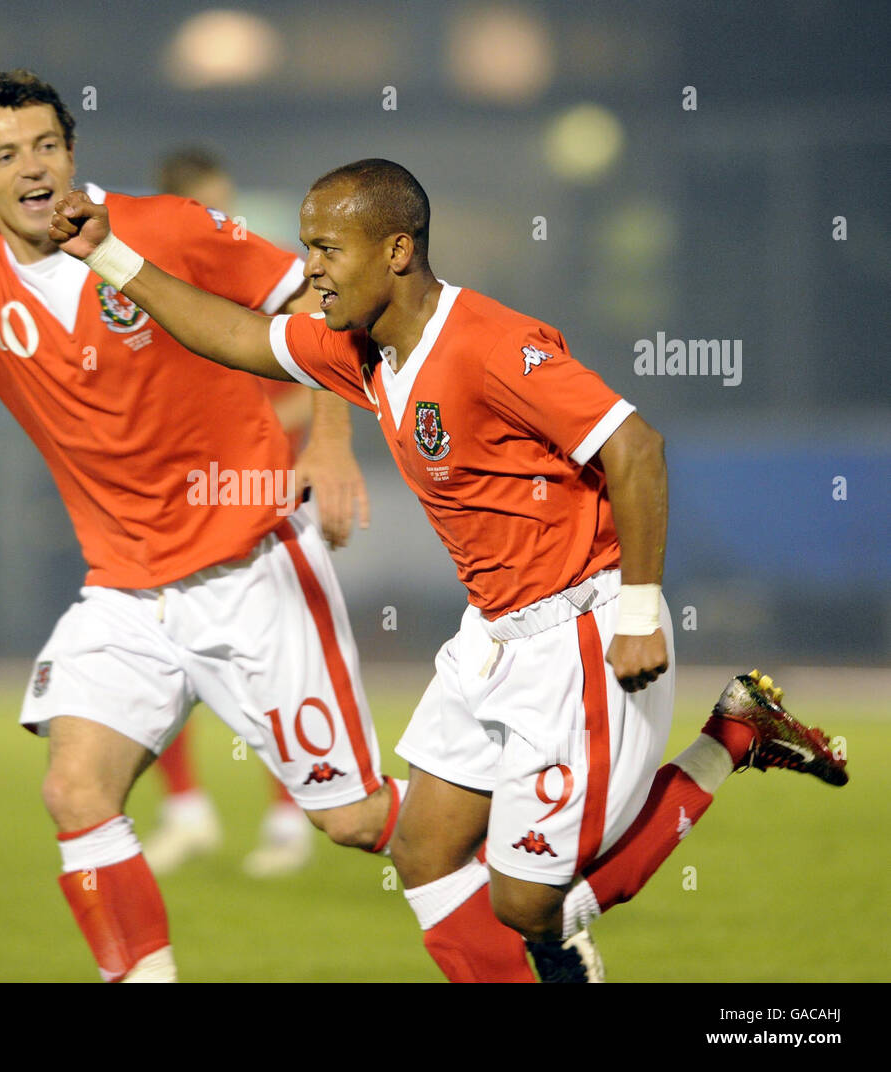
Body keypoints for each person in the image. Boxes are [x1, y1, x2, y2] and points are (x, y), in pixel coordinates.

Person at [47, 158, 849, 982]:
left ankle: (735, 735)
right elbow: (242, 337)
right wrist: (109, 256)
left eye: (327, 248)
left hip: (582, 636)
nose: (310, 266)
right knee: (424, 853)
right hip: (492, 635)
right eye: (306, 246)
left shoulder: (491, 344)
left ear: (396, 250)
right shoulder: (363, 348)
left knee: (528, 906)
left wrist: (641, 609)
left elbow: (635, 446)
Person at [0, 71, 403, 984]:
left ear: (72, 151)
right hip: (126, 591)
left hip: (253, 564)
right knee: (75, 790)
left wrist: (329, 439)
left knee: (357, 823)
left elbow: (319, 308)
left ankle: (536, 877)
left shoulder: (165, 227)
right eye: (5, 156)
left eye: (46, 145)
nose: (32, 167)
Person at [143, 145, 315, 879]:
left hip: (263, 493)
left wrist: (285, 454)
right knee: (157, 654)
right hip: (179, 501)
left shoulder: (257, 279)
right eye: (213, 208)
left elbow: (318, 370)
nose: (228, 219)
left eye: (228, 204)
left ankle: (290, 818)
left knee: (269, 662)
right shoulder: (142, 290)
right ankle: (187, 810)